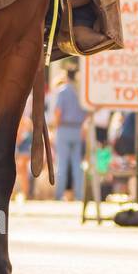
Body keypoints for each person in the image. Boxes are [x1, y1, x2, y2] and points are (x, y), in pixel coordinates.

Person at [53, 67, 88, 201]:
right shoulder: (80, 92)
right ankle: (79, 195)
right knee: (76, 164)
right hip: (78, 129)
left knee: (61, 163)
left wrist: (55, 127)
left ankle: (59, 194)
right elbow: (86, 112)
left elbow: (58, 112)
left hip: (64, 128)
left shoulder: (63, 91)